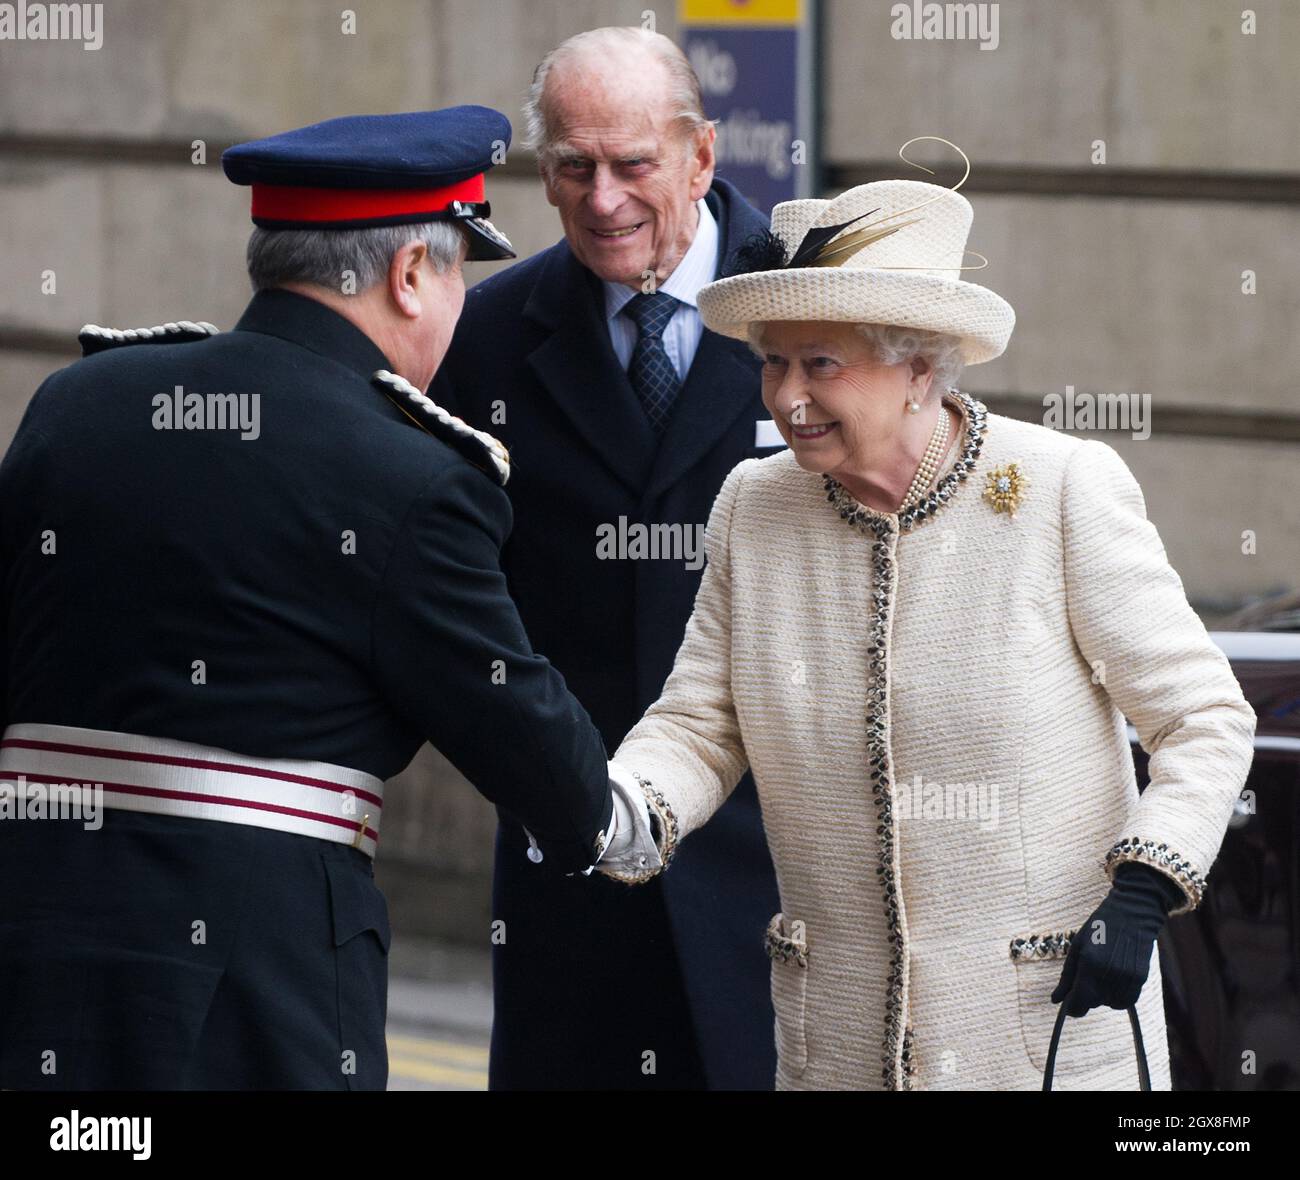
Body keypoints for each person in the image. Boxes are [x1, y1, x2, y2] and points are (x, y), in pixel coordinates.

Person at [0, 106, 657, 1091]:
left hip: (36, 937)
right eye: (455, 276)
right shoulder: (411, 475)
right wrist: (614, 820)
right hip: (251, 984)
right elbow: (515, 722)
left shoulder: (77, 402)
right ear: (406, 276)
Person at [594, 156, 1258, 1089]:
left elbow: (1204, 719)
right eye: (773, 363)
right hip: (840, 1045)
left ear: (916, 369)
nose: (786, 397)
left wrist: (1144, 887)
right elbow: (701, 723)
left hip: (1042, 1035)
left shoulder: (1059, 493)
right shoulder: (756, 503)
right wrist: (615, 803)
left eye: (821, 364)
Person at [435, 27, 782, 1090]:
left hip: (779, 864)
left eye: (632, 165)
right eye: (572, 168)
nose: (602, 199)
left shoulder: (810, 307)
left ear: (701, 158)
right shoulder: (484, 332)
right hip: (569, 870)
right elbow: (449, 582)